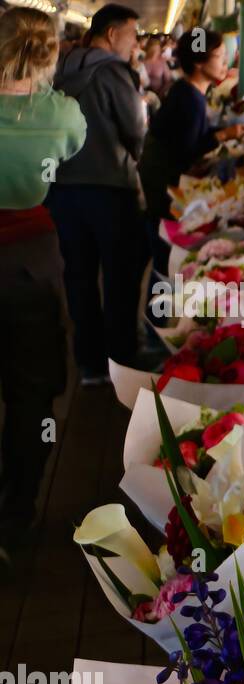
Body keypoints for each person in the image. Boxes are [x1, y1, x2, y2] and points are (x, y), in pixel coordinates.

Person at [0, 7, 86, 562]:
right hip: (29, 263)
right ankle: (15, 517)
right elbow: (69, 152)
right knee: (32, 395)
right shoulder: (63, 116)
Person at [46, 3, 146, 385]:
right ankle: (122, 358)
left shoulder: (59, 70)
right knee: (120, 274)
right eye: (132, 35)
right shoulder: (113, 73)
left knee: (79, 275)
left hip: (63, 190)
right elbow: (135, 128)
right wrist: (134, 158)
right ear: (111, 34)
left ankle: (89, 363)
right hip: (110, 189)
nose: (135, 44)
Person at [139, 27, 241, 275]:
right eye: (220, 56)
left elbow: (191, 136)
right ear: (198, 61)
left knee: (164, 258)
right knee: (166, 260)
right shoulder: (189, 99)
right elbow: (189, 150)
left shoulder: (187, 91)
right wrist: (224, 135)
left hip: (159, 187)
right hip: (165, 194)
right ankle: (157, 312)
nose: (226, 62)